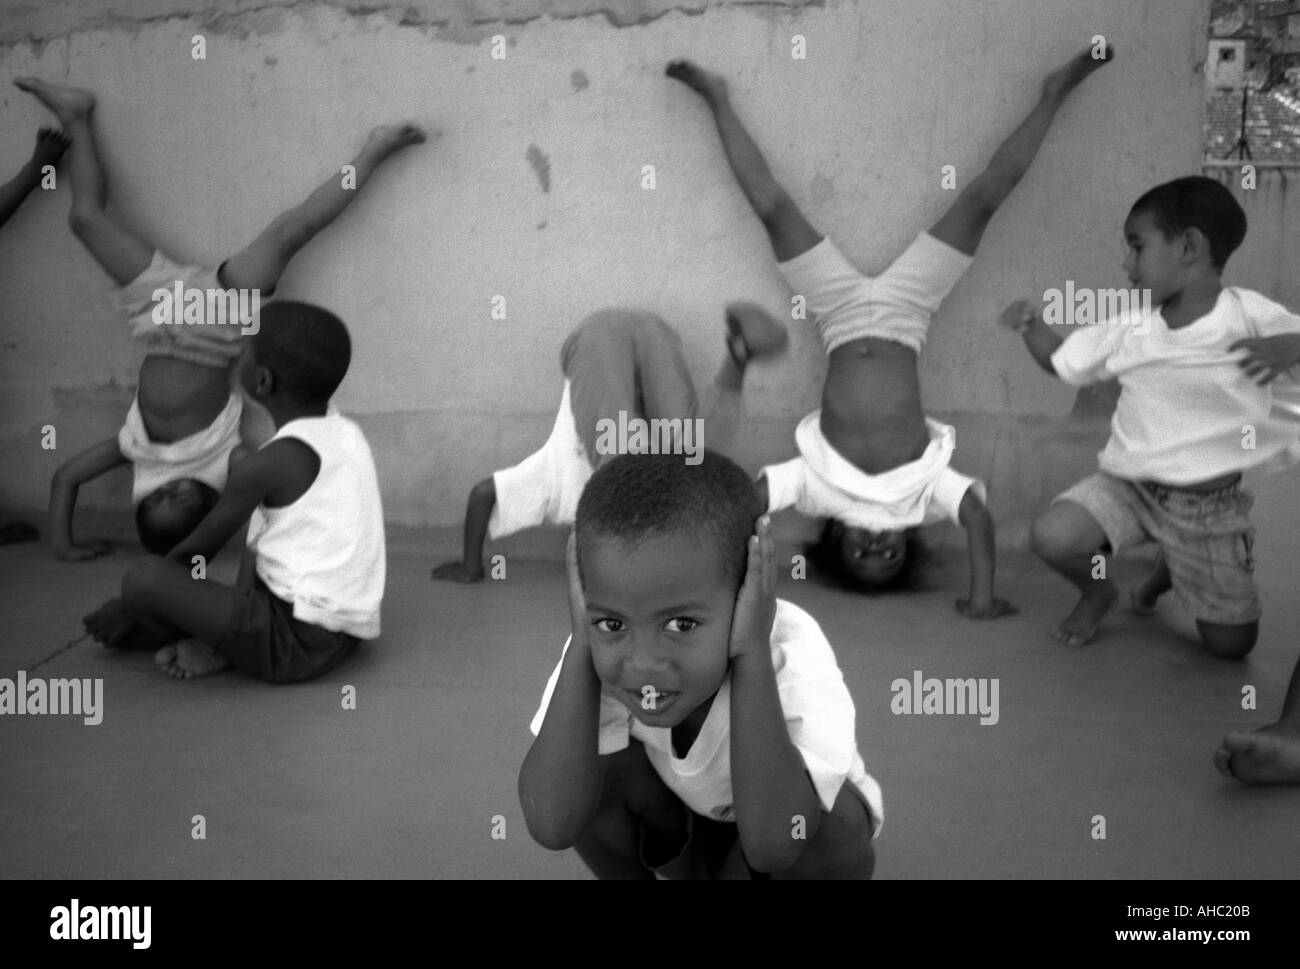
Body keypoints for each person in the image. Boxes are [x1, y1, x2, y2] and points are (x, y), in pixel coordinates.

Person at [666, 45, 1112, 612]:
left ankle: (717, 99)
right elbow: (976, 520)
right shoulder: (924, 493)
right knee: (982, 198)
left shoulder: (817, 488)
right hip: (908, 314)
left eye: (862, 557)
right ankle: (1056, 92)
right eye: (890, 557)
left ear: (835, 546)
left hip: (839, 316)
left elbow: (749, 503)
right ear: (908, 544)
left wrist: (726, 584)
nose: (875, 546)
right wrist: (981, 598)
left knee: (772, 206)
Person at [15, 78, 422, 560]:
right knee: (290, 232)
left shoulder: (134, 452)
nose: (168, 493)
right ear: (208, 509)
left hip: (157, 317)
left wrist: (63, 545)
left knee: (83, 218)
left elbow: (65, 478)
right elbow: (282, 494)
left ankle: (76, 117)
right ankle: (374, 151)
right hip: (216, 323)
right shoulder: (227, 466)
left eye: (156, 501)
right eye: (179, 504)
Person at [518, 452, 882, 878]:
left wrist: (751, 655)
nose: (642, 663)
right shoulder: (594, 645)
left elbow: (776, 846)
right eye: (612, 621)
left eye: (681, 623)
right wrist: (584, 639)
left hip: (775, 836)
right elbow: (551, 821)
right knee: (587, 767)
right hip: (691, 830)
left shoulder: (790, 655)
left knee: (837, 827)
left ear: (750, 590)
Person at [1006, 175, 1300, 654]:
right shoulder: (1132, 327)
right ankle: (1099, 590)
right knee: (1053, 536)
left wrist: (1292, 343)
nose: (1127, 264)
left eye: (1136, 247)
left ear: (1189, 247)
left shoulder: (1247, 313)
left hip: (1208, 511)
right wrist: (1031, 327)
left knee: (1232, 645)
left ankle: (1165, 573)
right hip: (1129, 489)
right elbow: (1066, 362)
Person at [83, 301, 386, 682]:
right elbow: (261, 542)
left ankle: (221, 643)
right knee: (261, 528)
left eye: (243, 351)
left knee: (145, 577)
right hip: (342, 632)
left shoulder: (268, 463)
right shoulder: (344, 432)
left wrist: (128, 604)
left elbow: (195, 553)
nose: (235, 355)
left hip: (293, 643)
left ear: (262, 382)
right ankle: (219, 638)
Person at [432, 304, 786, 582]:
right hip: (648, 332)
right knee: (691, 453)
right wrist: (471, 566)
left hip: (600, 337)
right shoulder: (664, 484)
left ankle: (738, 358)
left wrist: (470, 567)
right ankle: (737, 358)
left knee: (648, 460)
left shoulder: (556, 488)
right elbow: (481, 495)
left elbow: (483, 494)